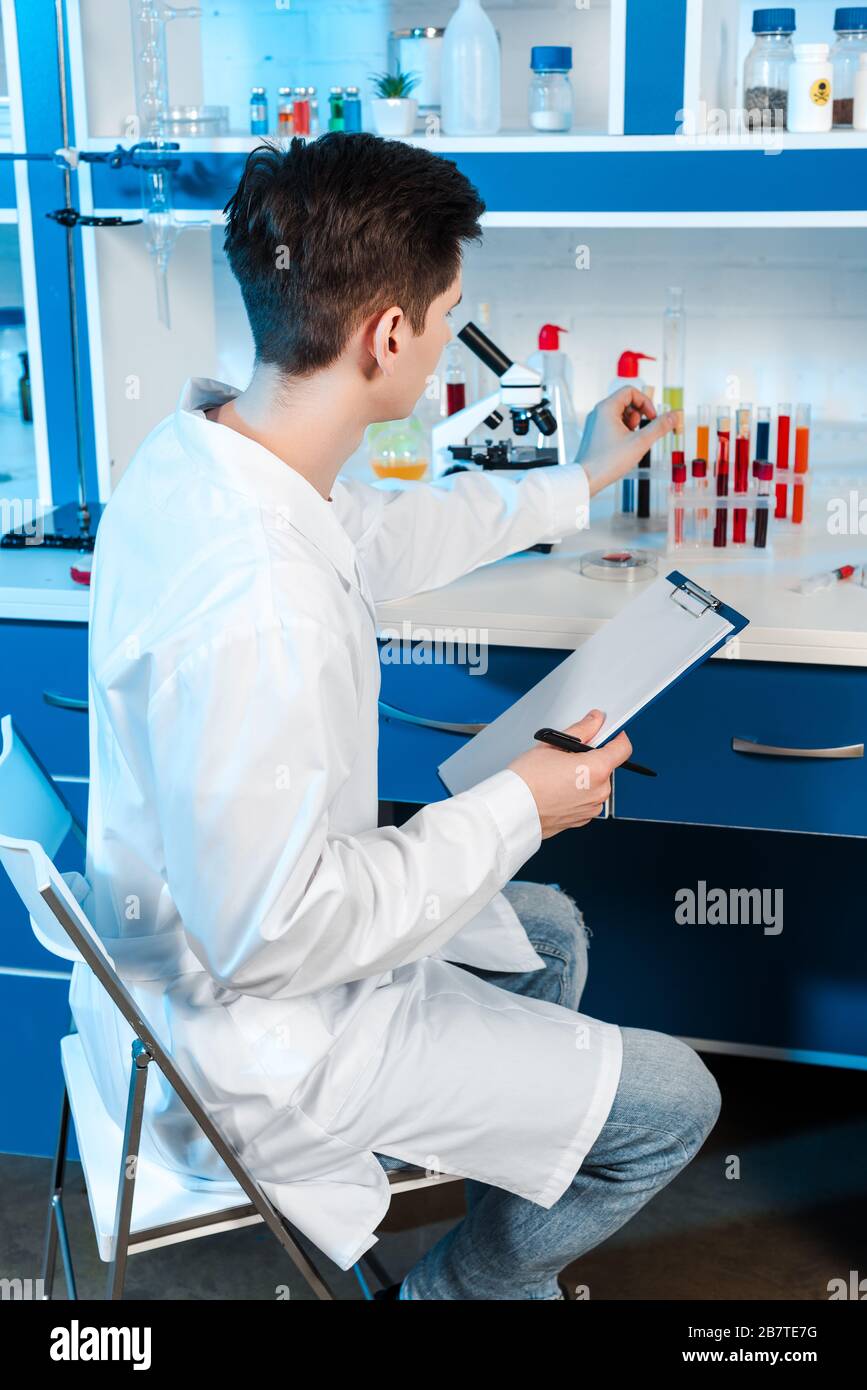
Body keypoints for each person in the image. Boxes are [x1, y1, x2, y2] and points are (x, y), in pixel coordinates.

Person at [72, 133, 720, 1301]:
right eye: (448, 313)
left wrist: (577, 481)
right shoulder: (257, 599)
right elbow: (275, 935)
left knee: (552, 934)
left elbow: (377, 538)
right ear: (387, 335)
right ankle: (460, 1292)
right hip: (265, 1044)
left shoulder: (201, 459)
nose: (446, 337)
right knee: (683, 1104)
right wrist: (522, 803)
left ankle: (497, 1145)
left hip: (190, 965)